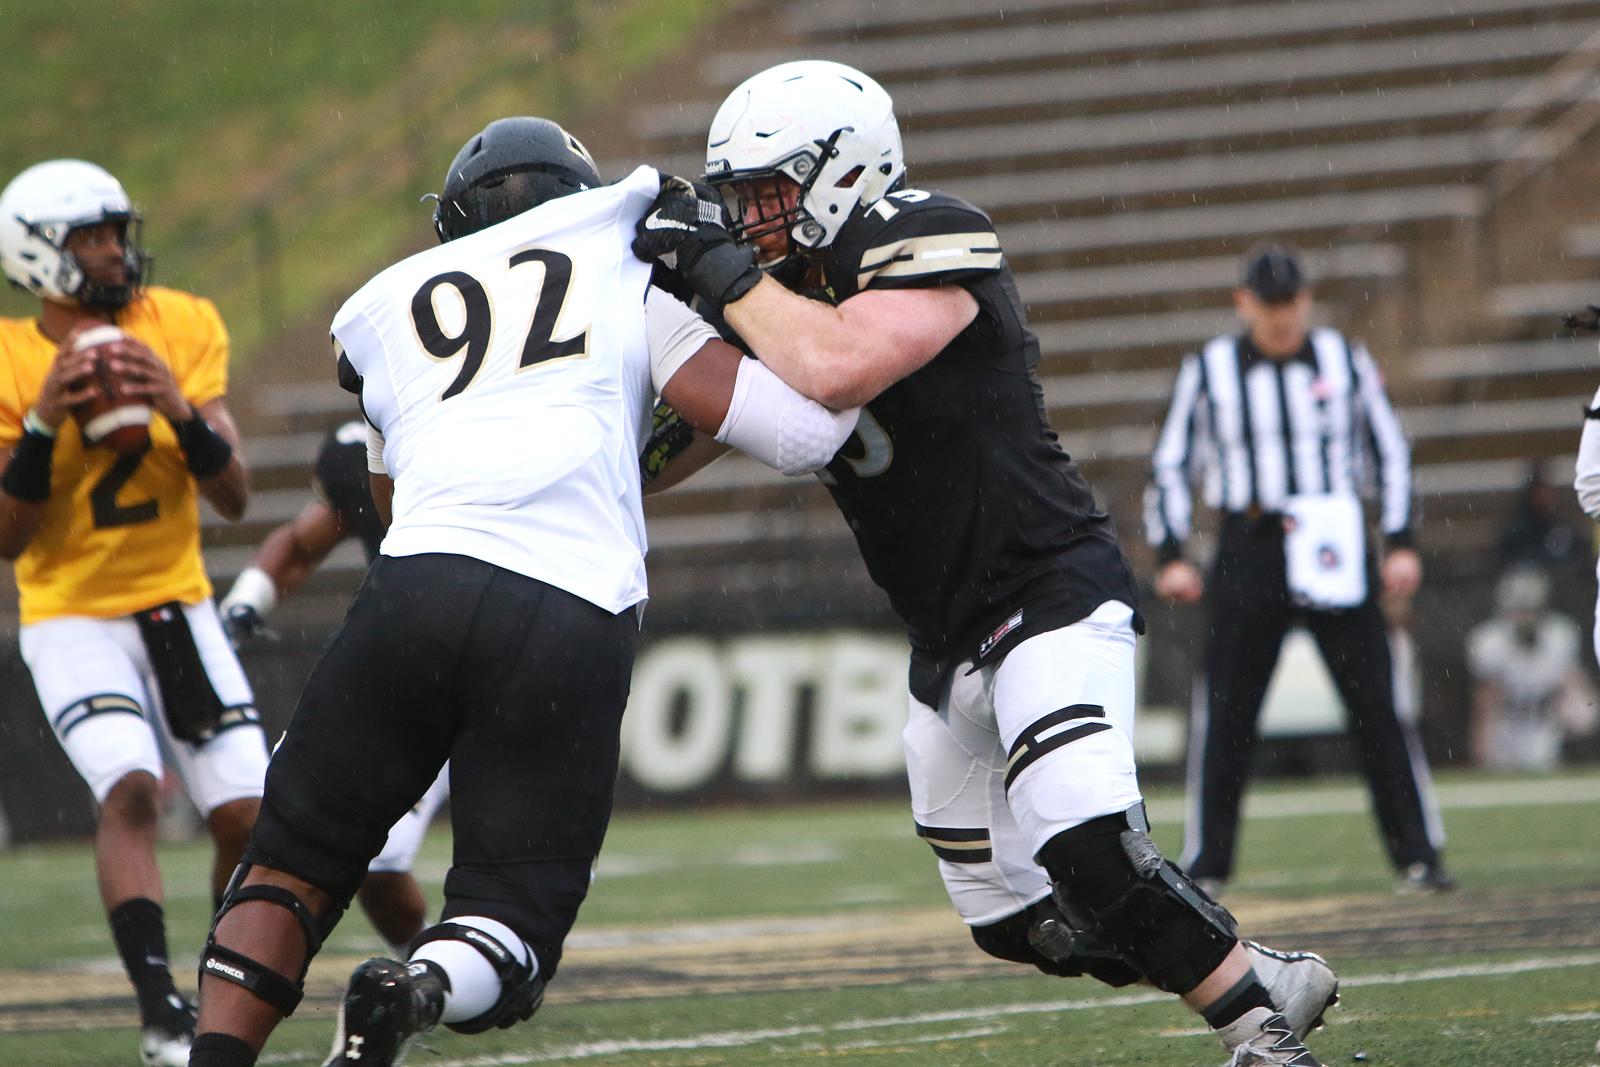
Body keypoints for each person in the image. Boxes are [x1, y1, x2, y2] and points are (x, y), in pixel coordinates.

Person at [633, 60, 1335, 1066]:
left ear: (843, 170)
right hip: (944, 634)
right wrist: (641, 321)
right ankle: (1257, 973)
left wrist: (717, 277)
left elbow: (836, 364)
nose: (750, 218)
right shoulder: (773, 291)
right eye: (739, 199)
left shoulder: (920, 230)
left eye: (768, 190)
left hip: (1045, 588)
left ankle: (1259, 1031)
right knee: (1027, 921)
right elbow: (672, 445)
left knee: (1088, 844)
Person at [185, 116, 858, 1067]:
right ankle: (412, 988)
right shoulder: (618, 271)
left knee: (287, 867)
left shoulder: (392, 307)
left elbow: (385, 500)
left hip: (416, 586)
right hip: (567, 607)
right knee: (510, 910)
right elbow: (797, 435)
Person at [0, 159, 261, 1067]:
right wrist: (40, 426)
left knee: (247, 813)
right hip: (74, 613)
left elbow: (232, 491)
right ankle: (160, 1012)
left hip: (177, 604)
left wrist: (177, 409)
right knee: (131, 784)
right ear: (37, 255)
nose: (115, 251)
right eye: (91, 238)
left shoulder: (179, 323)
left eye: (117, 232)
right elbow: (6, 537)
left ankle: (220, 985)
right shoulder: (6, 355)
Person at [1144, 242, 1451, 897]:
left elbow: (1389, 451)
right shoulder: (1210, 368)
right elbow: (1174, 460)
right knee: (1226, 711)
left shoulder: (1345, 359)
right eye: (1269, 303)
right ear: (1244, 302)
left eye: (1290, 302)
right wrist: (1171, 550)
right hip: (1249, 541)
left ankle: (1418, 853)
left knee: (1376, 703)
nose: (1282, 317)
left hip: (1333, 540)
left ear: (1305, 300)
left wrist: (1399, 539)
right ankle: (1209, 862)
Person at [218, 420, 450, 956]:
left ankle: (492, 955)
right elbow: (302, 543)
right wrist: (249, 597)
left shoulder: (500, 419)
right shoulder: (360, 445)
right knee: (380, 861)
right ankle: (430, 969)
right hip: (419, 672)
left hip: (516, 657)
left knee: (525, 849)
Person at [1466, 565, 1596, 771]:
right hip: (1506, 723)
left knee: (1581, 710)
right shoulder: (1489, 641)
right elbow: (1486, 699)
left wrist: (1579, 716)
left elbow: (1575, 684)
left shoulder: (1560, 635)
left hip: (1543, 720)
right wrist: (1481, 742)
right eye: (1518, 610)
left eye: (1529, 609)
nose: (1524, 617)